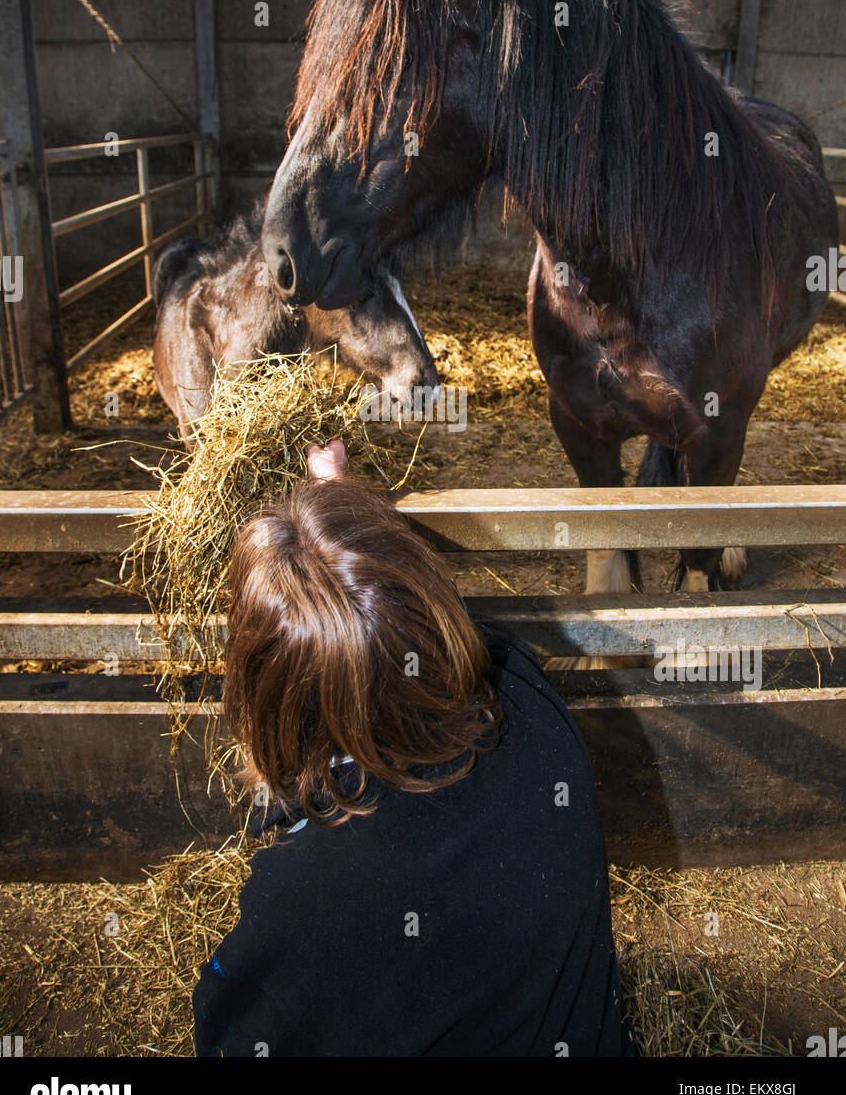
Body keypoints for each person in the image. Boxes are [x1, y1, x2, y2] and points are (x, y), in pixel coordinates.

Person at [193, 439, 635, 1057]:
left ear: (263, 698)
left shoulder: (293, 905)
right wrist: (334, 520)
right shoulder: (532, 701)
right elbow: (421, 626)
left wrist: (322, 541)